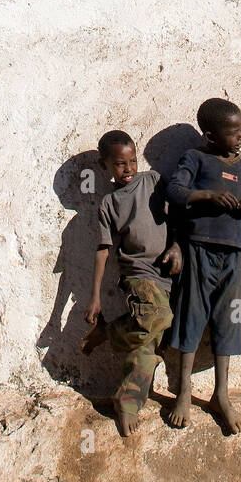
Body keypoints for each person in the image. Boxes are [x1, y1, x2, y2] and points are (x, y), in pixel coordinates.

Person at [166, 99, 241, 434]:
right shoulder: (196, 158)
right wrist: (206, 196)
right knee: (191, 316)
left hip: (233, 255)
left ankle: (221, 393)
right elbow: (174, 191)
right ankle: (185, 389)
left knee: (229, 318)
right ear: (210, 135)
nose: (239, 137)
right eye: (232, 132)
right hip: (198, 250)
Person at [83, 130, 182, 436]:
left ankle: (127, 402)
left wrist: (177, 245)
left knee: (148, 341)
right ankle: (112, 333)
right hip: (137, 274)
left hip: (166, 272)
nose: (128, 169)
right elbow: (103, 250)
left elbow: (177, 214)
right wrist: (95, 297)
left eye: (132, 161)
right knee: (159, 317)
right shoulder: (109, 203)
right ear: (104, 166)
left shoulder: (153, 181)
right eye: (119, 164)